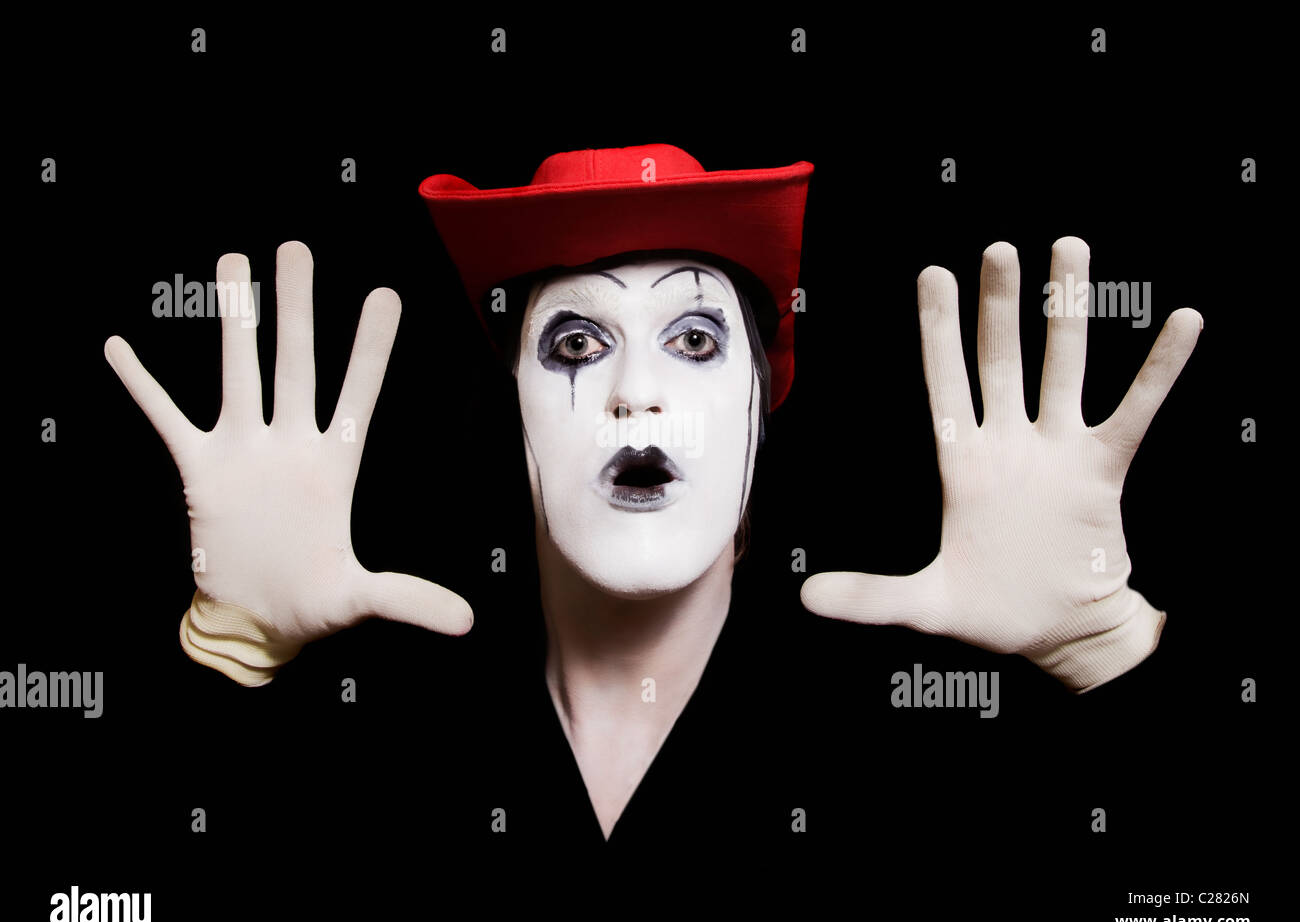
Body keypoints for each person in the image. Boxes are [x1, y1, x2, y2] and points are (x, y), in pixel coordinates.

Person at [102, 144, 1202, 841]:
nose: (636, 391)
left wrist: (1107, 648)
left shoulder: (925, 752)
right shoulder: (365, 755)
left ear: (758, 413)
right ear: (518, 412)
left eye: (694, 338)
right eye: (577, 342)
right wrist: (223, 649)